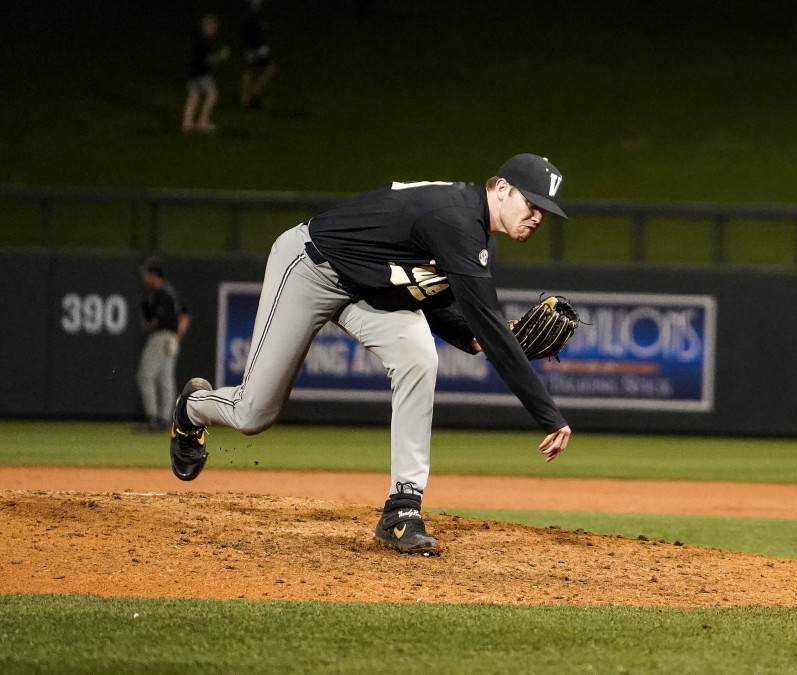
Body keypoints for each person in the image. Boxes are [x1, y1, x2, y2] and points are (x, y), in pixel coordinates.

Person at [169, 154, 573, 555]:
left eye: (545, 210)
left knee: (418, 357)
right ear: (501, 189)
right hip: (311, 267)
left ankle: (403, 508)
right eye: (531, 203)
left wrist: (475, 339)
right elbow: (490, 324)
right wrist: (548, 415)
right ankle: (192, 408)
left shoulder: (479, 238)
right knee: (254, 414)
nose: (537, 216)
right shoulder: (456, 218)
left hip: (368, 294)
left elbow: (432, 301)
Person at [136, 258, 191, 431]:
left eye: (146, 274)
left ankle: (153, 418)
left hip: (161, 337)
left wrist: (149, 322)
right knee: (165, 378)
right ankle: (164, 419)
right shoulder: (171, 292)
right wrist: (177, 337)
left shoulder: (161, 294)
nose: (144, 277)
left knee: (145, 376)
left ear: (154, 275)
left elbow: (156, 322)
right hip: (171, 338)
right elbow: (185, 317)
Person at [182, 14, 230, 133]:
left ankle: (187, 123)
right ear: (206, 27)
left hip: (193, 72)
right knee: (212, 95)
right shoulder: (204, 42)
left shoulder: (197, 38)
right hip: (203, 74)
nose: (214, 30)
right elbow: (208, 60)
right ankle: (203, 122)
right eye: (212, 27)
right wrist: (221, 56)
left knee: (193, 97)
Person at [240, 0, 276, 110]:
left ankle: (250, 96)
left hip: (257, 47)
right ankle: (249, 97)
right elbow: (249, 34)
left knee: (260, 71)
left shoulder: (258, 13)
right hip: (254, 49)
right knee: (256, 71)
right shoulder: (250, 15)